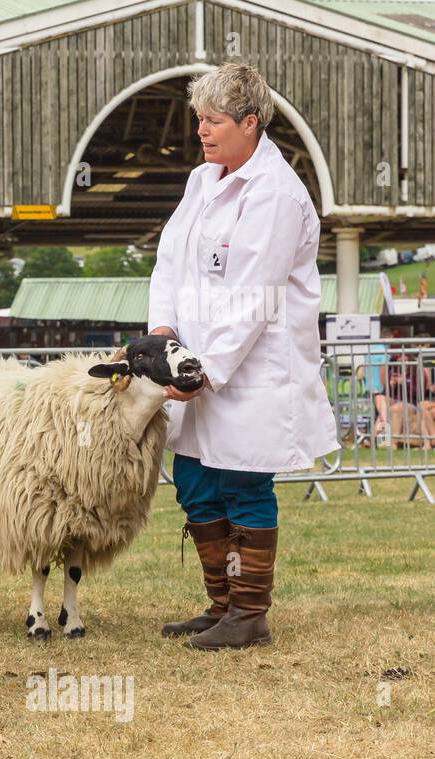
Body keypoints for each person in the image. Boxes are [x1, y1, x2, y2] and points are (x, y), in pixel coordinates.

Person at [148, 62, 338, 650]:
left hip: (253, 369)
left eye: (214, 121)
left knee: (243, 484)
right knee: (195, 479)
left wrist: (204, 371)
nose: (202, 132)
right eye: (198, 120)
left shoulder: (276, 194)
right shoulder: (201, 181)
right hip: (193, 358)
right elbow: (170, 263)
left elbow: (254, 298)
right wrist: (162, 334)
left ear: (250, 123)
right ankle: (221, 602)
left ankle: (250, 613)